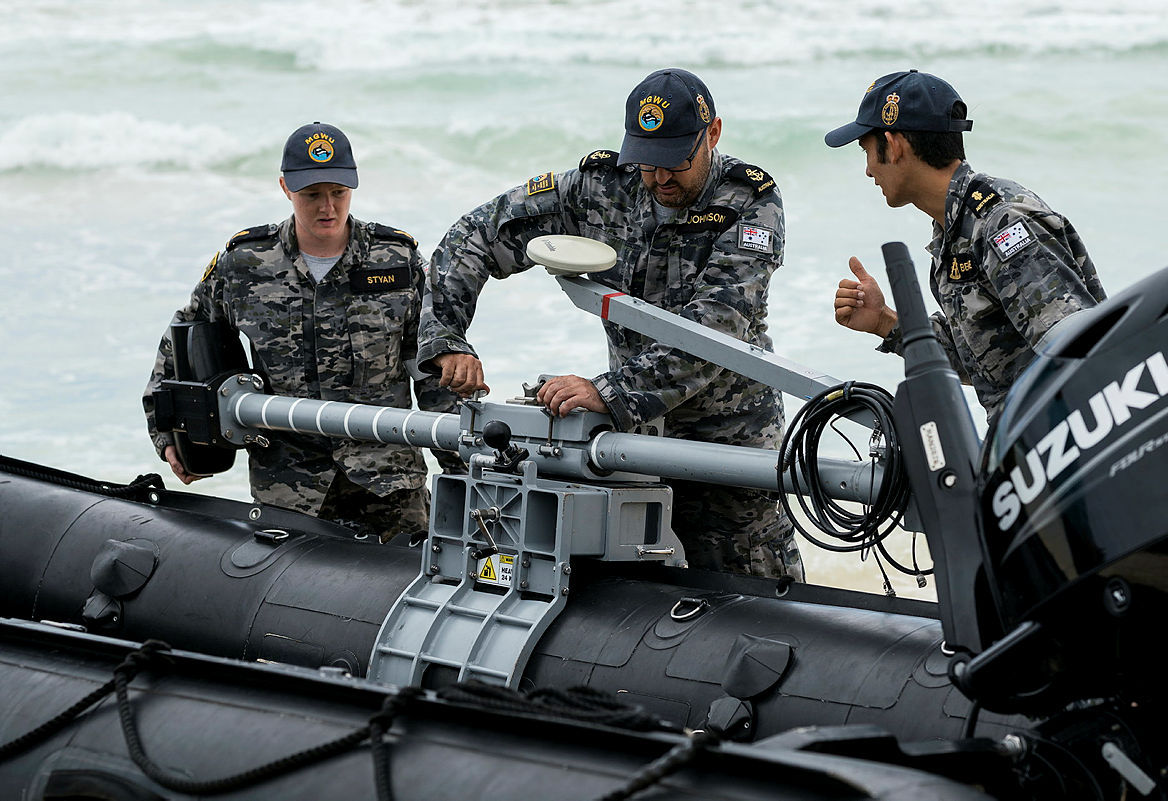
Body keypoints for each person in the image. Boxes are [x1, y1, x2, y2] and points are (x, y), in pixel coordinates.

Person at [417, 68, 803, 580]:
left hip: (727, 449)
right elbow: (479, 234)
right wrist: (447, 338)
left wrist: (611, 392)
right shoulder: (602, 187)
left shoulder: (749, 202)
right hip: (630, 448)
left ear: (712, 135)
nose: (660, 178)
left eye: (676, 162)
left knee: (757, 598)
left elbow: (718, 328)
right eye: (647, 162)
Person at [143, 121, 463, 543]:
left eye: (338, 193)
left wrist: (463, 467)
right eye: (312, 195)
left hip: (388, 484)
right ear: (285, 188)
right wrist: (171, 436)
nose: (327, 207)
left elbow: (430, 370)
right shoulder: (246, 264)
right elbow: (184, 342)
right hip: (288, 486)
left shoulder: (395, 260)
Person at [825, 70, 1106, 424]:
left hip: (1067, 438)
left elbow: (1077, 351)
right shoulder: (954, 229)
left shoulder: (1000, 222)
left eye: (866, 151)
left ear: (894, 146)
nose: (868, 171)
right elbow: (984, 362)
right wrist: (885, 321)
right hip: (1026, 444)